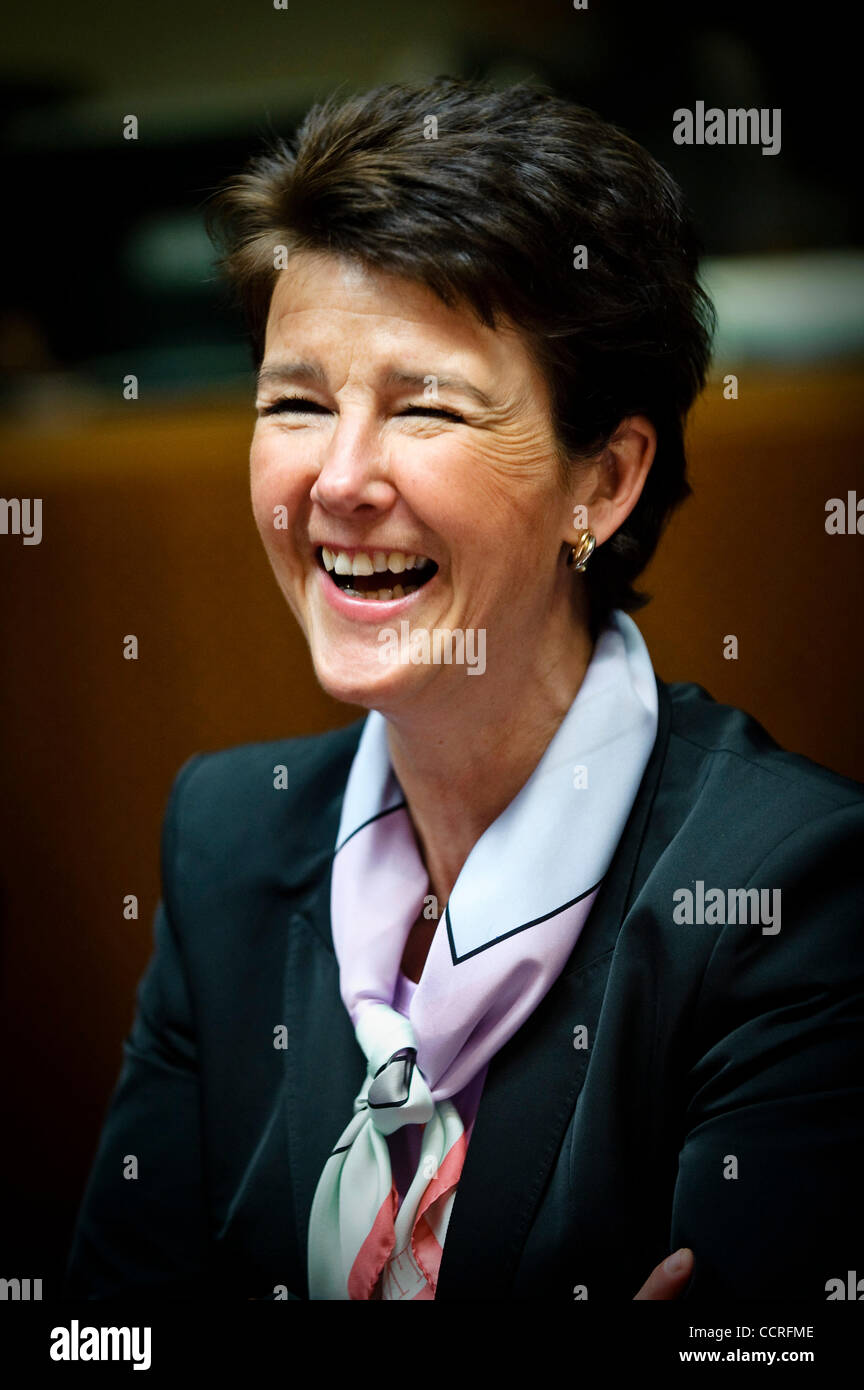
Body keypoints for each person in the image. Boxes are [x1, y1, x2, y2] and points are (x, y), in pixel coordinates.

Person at [64, 78, 864, 1302]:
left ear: (604, 481)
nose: (337, 478)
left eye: (424, 406)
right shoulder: (227, 837)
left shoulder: (786, 888)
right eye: (296, 401)